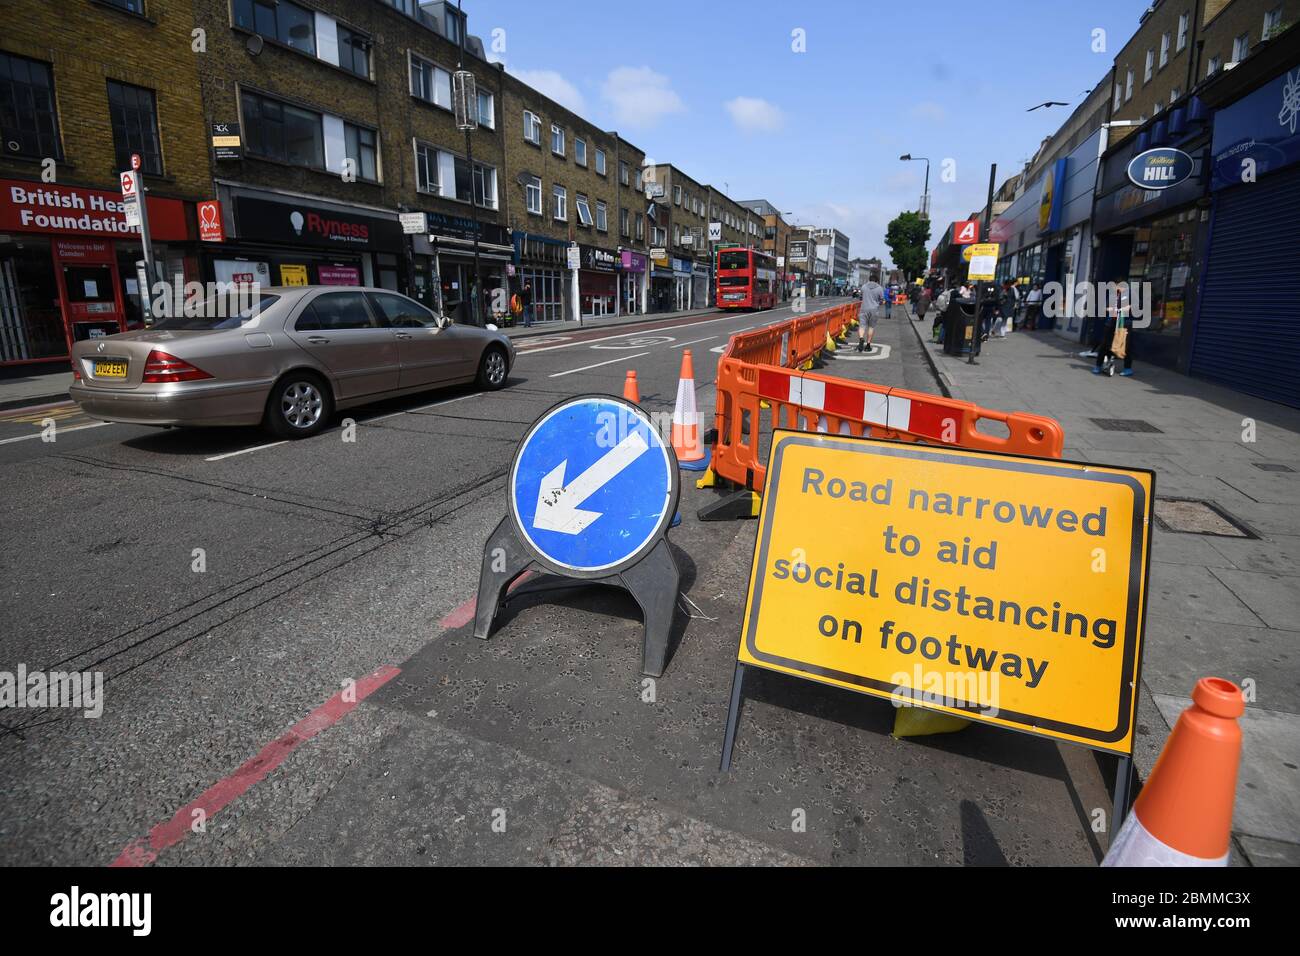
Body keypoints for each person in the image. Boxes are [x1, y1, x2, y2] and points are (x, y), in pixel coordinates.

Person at [1092, 287, 1134, 376]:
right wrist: (1110, 309)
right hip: (1111, 323)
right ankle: (1098, 366)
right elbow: (1105, 308)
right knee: (1104, 345)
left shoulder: (1130, 294)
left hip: (1124, 323)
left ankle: (1128, 368)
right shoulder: (1112, 296)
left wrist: (1125, 309)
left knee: (1125, 345)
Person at [857, 272, 886, 353]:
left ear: (869, 280)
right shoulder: (880, 288)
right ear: (876, 281)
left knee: (862, 326)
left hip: (864, 309)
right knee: (871, 327)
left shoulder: (864, 286)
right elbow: (882, 300)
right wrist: (880, 302)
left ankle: (861, 339)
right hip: (874, 310)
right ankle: (868, 345)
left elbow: (860, 297)